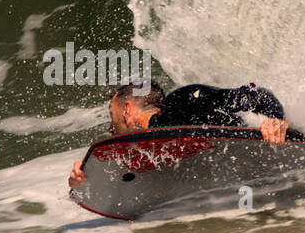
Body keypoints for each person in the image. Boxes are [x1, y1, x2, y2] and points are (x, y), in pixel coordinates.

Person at [68, 80, 291, 189]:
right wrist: (88, 175)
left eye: (112, 114)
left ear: (126, 110)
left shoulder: (181, 103)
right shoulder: (142, 149)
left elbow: (254, 95)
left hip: (271, 152)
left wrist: (274, 120)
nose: (110, 128)